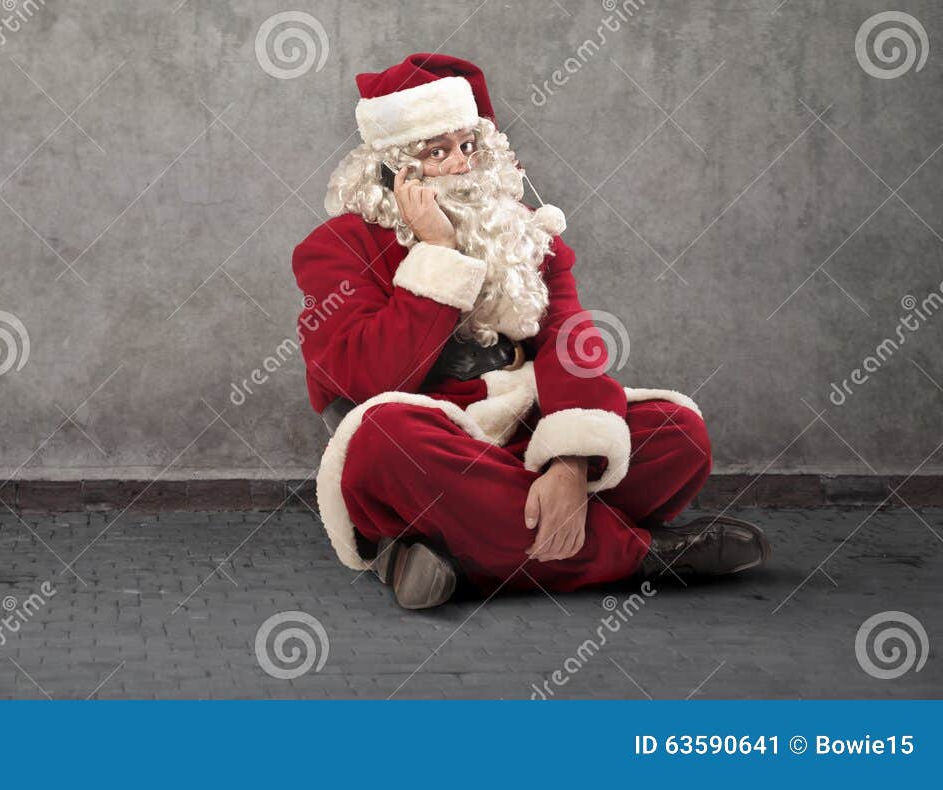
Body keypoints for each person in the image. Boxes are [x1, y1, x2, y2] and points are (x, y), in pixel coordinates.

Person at [292, 52, 768, 609]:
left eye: (467, 146)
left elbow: (572, 342)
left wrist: (570, 462)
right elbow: (367, 378)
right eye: (436, 152)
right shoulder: (336, 247)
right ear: (393, 171)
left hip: (527, 431)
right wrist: (440, 252)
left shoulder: (523, 236)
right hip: (434, 442)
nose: (461, 165)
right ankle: (640, 554)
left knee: (679, 434)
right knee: (383, 439)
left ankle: (451, 553)